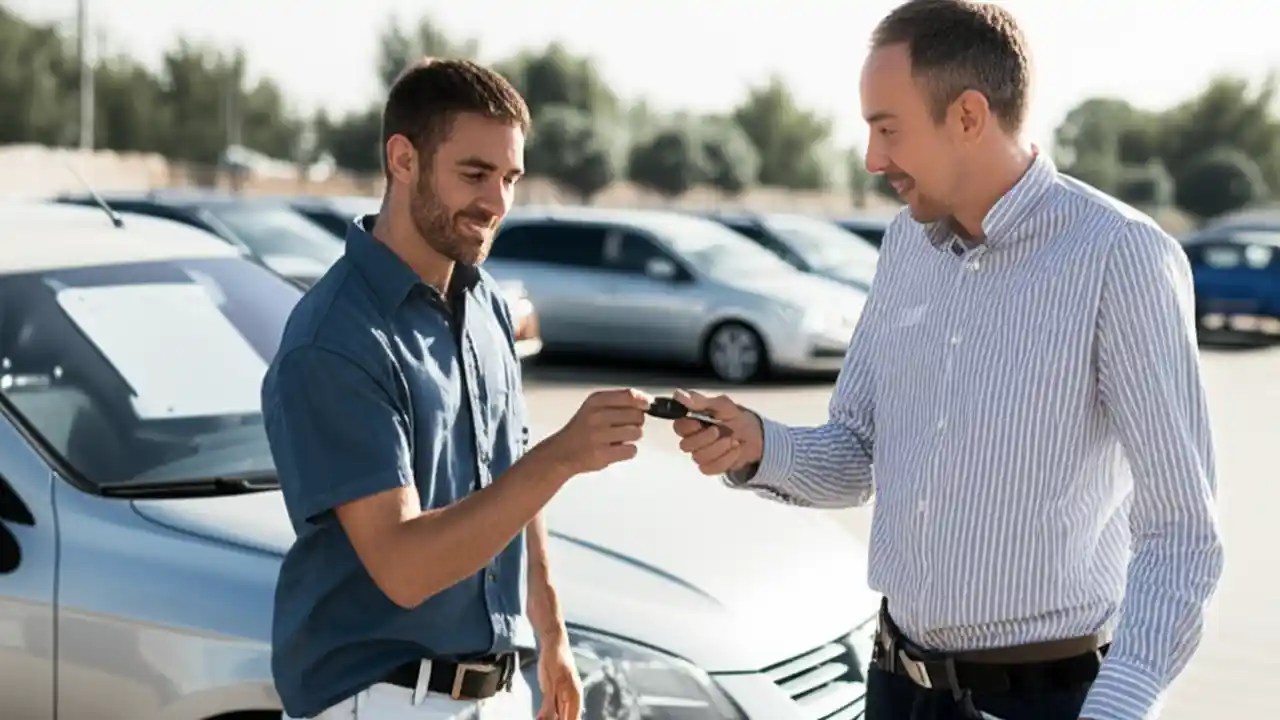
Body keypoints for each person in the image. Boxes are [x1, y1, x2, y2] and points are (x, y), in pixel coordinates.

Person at [669, 2, 1223, 719]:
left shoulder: (1120, 256)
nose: (872, 160)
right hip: (895, 689)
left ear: (967, 115)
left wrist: (1115, 709)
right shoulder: (906, 247)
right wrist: (759, 446)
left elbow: (1181, 534)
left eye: (887, 129)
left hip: (1044, 703)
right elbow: (859, 452)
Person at [261, 57, 651, 719]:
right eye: (474, 174)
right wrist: (562, 457)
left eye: (510, 178)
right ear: (403, 160)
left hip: (500, 691)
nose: (496, 203)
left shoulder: (486, 301)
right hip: (381, 702)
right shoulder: (336, 339)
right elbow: (404, 567)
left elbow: (510, 478)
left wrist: (551, 632)